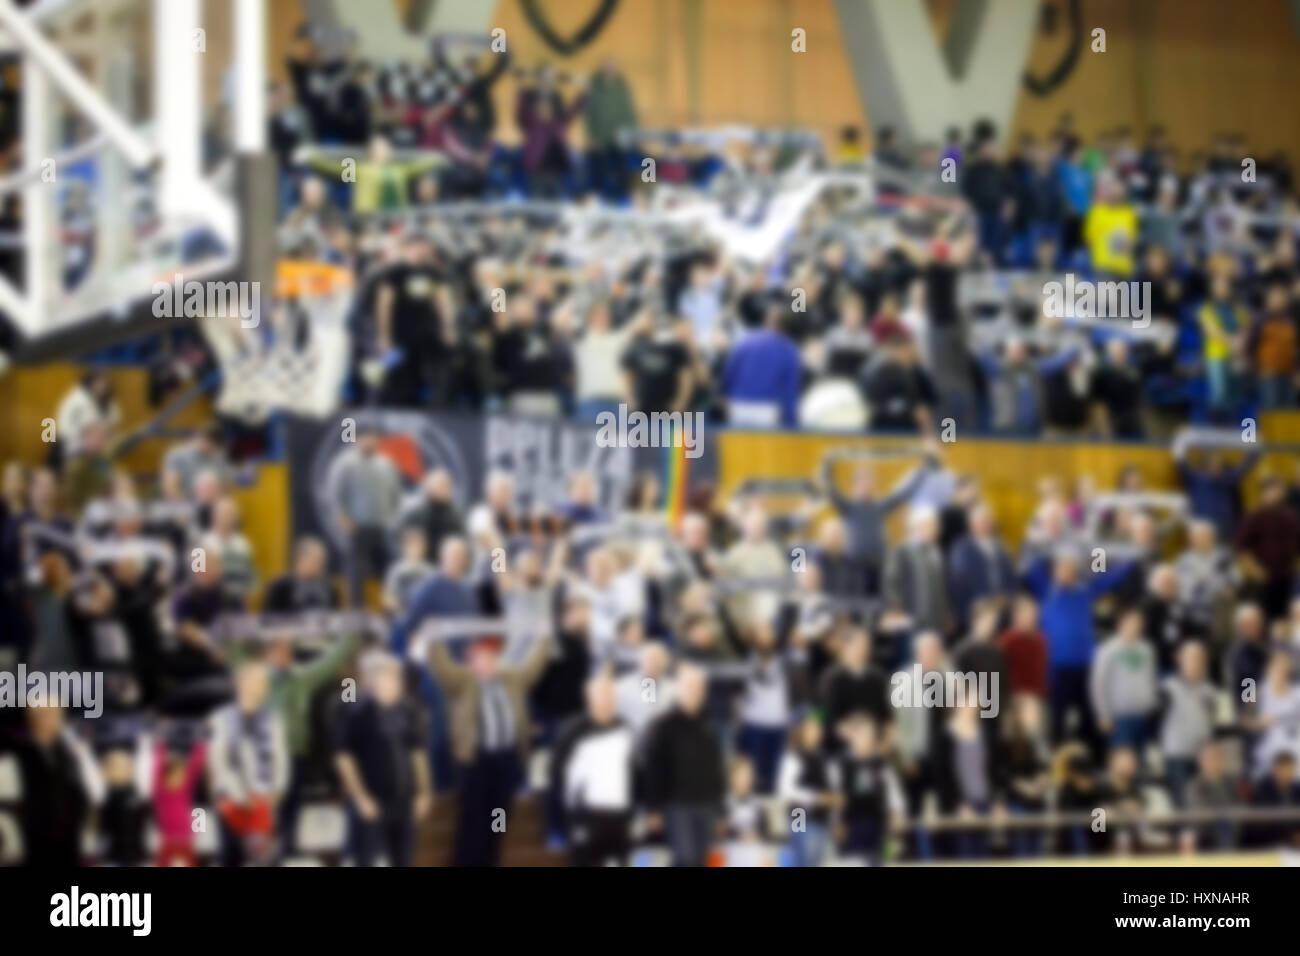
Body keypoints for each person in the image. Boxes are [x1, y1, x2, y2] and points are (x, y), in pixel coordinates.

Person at [429, 634, 552, 866]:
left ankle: (491, 860)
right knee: (473, 822)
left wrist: (543, 641)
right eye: (483, 657)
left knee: (500, 818)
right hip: (476, 762)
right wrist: (435, 640)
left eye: (492, 657)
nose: (489, 662)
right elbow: (442, 668)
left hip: (506, 762)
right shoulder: (463, 681)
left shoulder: (511, 679)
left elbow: (533, 668)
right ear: (472, 662)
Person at [334, 650, 433, 866]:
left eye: (398, 677)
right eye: (392, 677)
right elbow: (343, 757)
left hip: (403, 800)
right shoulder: (357, 712)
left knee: (403, 858)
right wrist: (360, 797)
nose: (398, 682)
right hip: (372, 801)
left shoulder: (408, 709)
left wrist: (424, 792)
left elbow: (417, 752)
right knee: (366, 859)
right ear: (374, 680)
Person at [642, 662, 726, 866]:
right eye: (689, 686)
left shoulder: (710, 725)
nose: (695, 692)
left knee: (699, 860)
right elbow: (653, 770)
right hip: (677, 805)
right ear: (678, 688)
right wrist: (653, 808)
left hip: (706, 805)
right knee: (685, 858)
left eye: (699, 687)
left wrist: (721, 811)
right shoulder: (662, 725)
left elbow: (717, 770)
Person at [208, 659, 289, 866]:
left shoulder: (273, 718)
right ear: (241, 684)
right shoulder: (220, 718)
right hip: (233, 803)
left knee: (268, 860)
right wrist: (240, 796)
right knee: (231, 859)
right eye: (256, 681)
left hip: (265, 802)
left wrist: (277, 790)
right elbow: (219, 762)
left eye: (263, 682)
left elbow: (280, 758)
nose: (261, 687)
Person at [550, 673, 636, 866]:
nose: (606, 700)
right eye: (601, 695)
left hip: (619, 818)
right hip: (585, 817)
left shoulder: (626, 728)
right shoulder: (572, 730)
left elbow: (633, 772)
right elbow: (557, 774)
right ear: (589, 698)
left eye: (610, 695)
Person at [14, 704, 104, 867]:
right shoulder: (19, 754)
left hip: (69, 839)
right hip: (33, 843)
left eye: (55, 714)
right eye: (44, 714)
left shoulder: (69, 753)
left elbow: (87, 792)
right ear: (31, 718)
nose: (50, 720)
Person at [331, 424, 402, 606]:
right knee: (356, 574)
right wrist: (344, 518)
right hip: (357, 529)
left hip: (383, 528)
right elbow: (336, 496)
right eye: (366, 437)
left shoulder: (387, 465)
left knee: (390, 572)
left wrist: (392, 519)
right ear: (357, 439)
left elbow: (395, 495)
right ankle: (357, 615)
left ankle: (388, 610)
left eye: (374, 437)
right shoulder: (345, 464)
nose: (370, 441)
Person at [835, 715, 904, 865]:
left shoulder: (881, 764)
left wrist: (896, 814)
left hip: (877, 824)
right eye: (861, 734)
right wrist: (837, 821)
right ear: (852, 736)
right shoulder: (842, 764)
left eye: (868, 735)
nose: (865, 739)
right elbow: (836, 796)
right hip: (852, 826)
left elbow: (893, 794)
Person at [1089, 605, 1158, 753]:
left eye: (1139, 623)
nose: (1136, 627)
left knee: (1141, 766)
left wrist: (1152, 704)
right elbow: (1098, 684)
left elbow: (1151, 679)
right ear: (1121, 623)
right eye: (1132, 623)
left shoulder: (1147, 650)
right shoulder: (1107, 650)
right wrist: (1103, 714)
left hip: (1143, 716)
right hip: (1119, 718)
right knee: (1123, 763)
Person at [1158, 641, 1217, 807]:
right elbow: (1156, 721)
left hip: (1201, 757)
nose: (1195, 662)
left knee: (1202, 804)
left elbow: (1210, 721)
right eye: (1190, 658)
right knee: (1182, 802)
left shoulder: (1209, 691)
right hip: (1178, 755)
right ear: (1181, 660)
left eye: (1199, 658)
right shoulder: (1167, 688)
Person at [777, 712, 838, 866]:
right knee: (802, 859)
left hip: (821, 820)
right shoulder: (794, 756)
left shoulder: (825, 759)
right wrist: (815, 797)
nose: (815, 732)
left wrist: (834, 816)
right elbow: (785, 789)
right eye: (811, 728)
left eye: (817, 729)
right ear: (802, 731)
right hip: (800, 816)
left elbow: (832, 790)